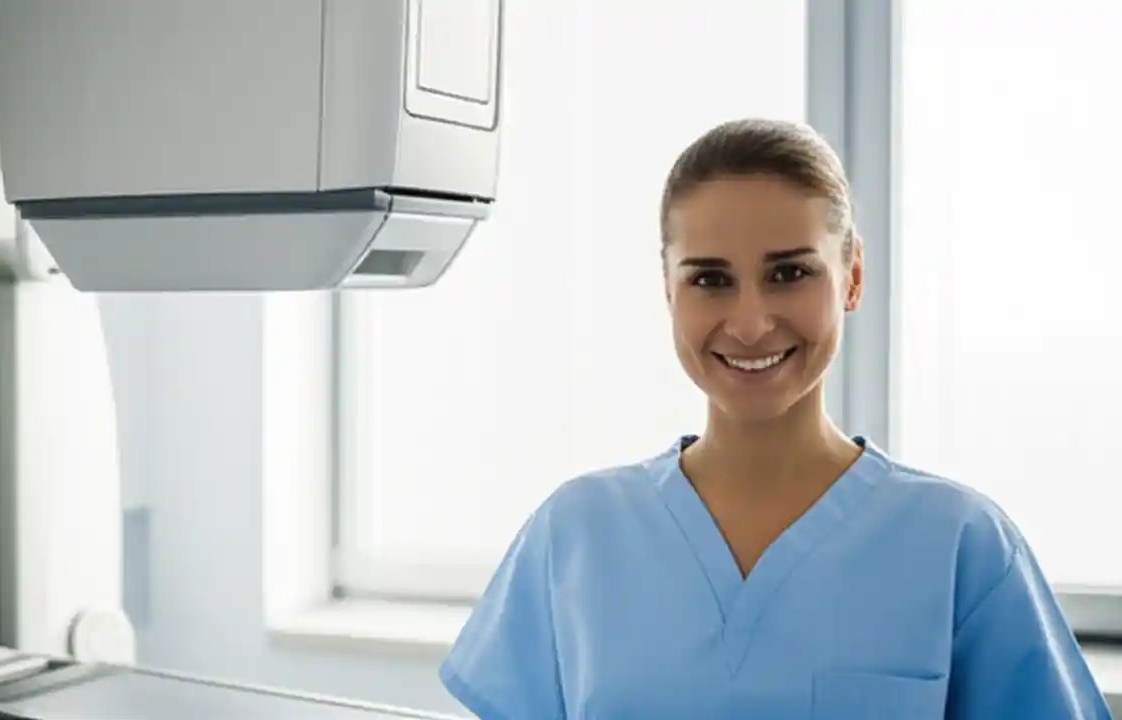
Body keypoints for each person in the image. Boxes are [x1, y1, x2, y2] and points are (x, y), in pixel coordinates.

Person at [438, 118, 1112, 718]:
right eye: (710, 279)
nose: (752, 323)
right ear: (666, 287)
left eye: (790, 274)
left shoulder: (962, 546)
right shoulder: (575, 535)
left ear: (851, 276)